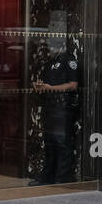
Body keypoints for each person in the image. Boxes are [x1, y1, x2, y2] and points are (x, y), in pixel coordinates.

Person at [34, 40, 80, 186]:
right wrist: (40, 86)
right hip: (50, 107)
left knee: (62, 143)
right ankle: (47, 177)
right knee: (50, 143)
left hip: (63, 107)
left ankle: (62, 178)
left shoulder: (69, 60)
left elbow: (73, 85)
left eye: (52, 46)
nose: (50, 48)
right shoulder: (49, 63)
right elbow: (45, 84)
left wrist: (51, 88)